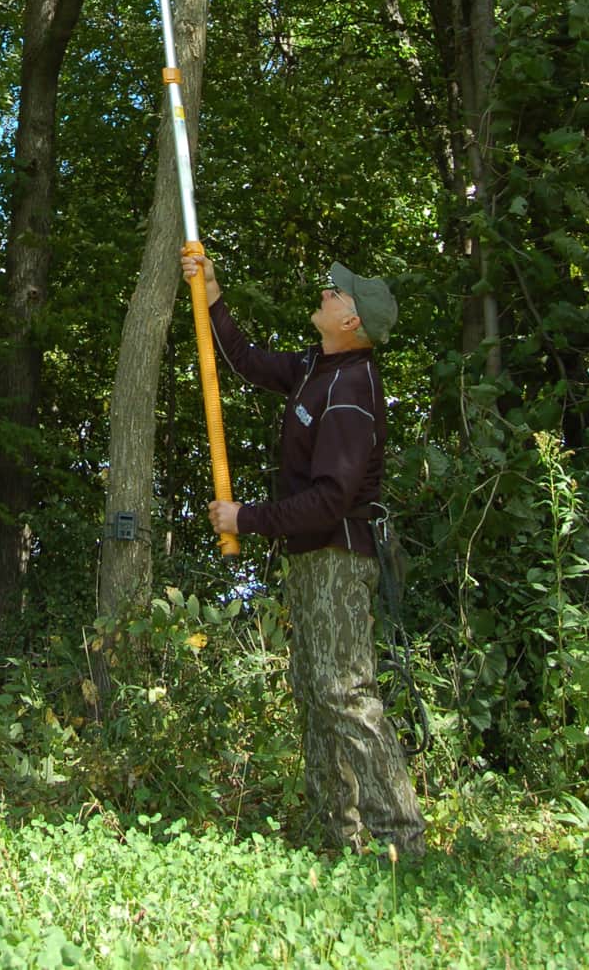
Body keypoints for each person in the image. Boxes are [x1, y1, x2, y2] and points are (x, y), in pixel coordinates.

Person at [181, 246, 425, 857]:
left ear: (353, 322)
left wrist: (247, 518)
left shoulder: (352, 388)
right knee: (318, 697)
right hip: (311, 561)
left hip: (338, 560)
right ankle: (334, 839)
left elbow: (329, 499)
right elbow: (245, 361)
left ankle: (402, 843)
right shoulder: (319, 367)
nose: (327, 292)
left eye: (337, 294)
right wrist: (210, 295)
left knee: (345, 692)